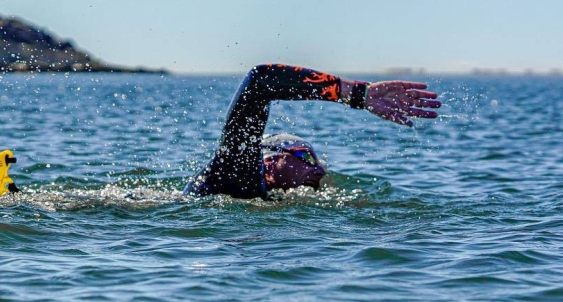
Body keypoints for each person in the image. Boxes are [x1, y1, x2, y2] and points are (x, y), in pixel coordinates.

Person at [184, 63, 441, 199]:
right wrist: (357, 95)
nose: (319, 171)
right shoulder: (236, 169)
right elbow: (260, 80)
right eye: (305, 157)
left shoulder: (261, 195)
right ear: (271, 160)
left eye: (319, 163)